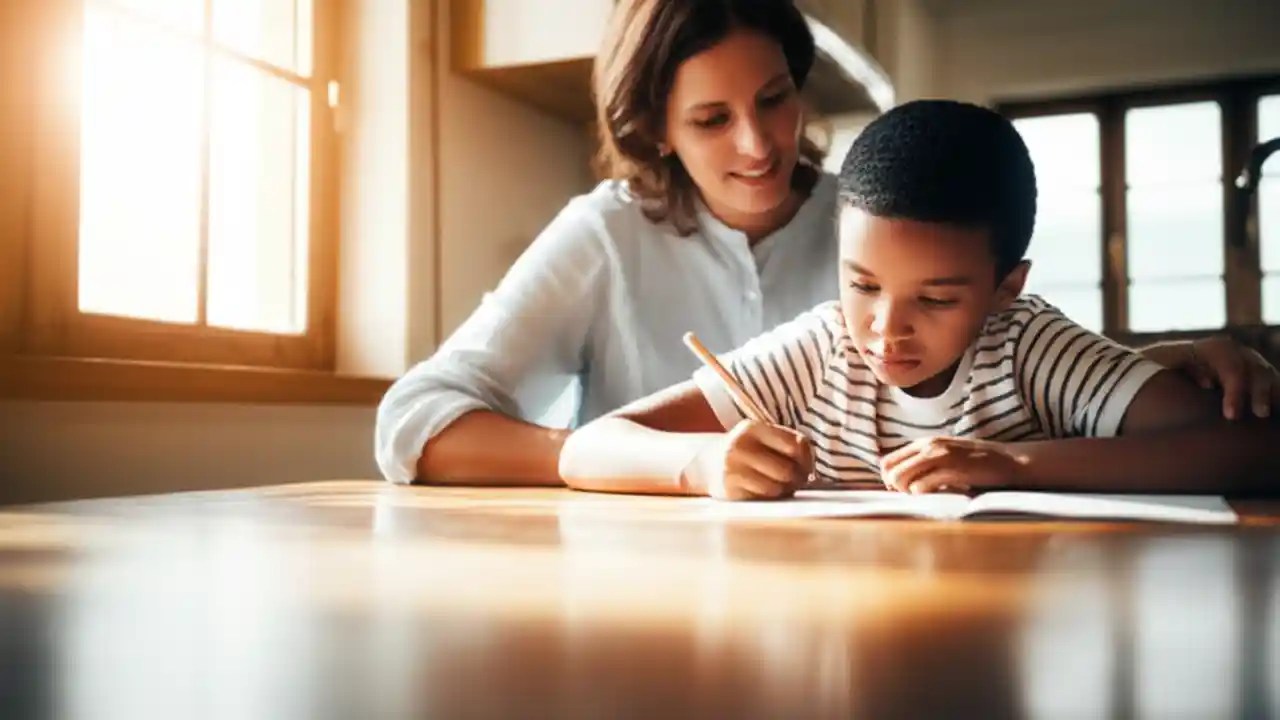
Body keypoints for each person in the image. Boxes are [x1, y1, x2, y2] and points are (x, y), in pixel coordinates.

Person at [376, 0, 1278, 487]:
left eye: (774, 99)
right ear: (656, 130)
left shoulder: (881, 208)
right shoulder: (609, 236)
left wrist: (1149, 367)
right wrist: (678, 465)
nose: (760, 145)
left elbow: (1014, 353)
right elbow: (419, 421)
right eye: (711, 118)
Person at [557, 100, 1279, 499]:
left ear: (1005, 289)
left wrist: (1012, 465)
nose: (884, 329)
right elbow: (589, 448)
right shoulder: (821, 349)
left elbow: (1255, 451)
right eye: (862, 283)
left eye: (935, 299)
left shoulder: (1028, 348)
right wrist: (704, 465)